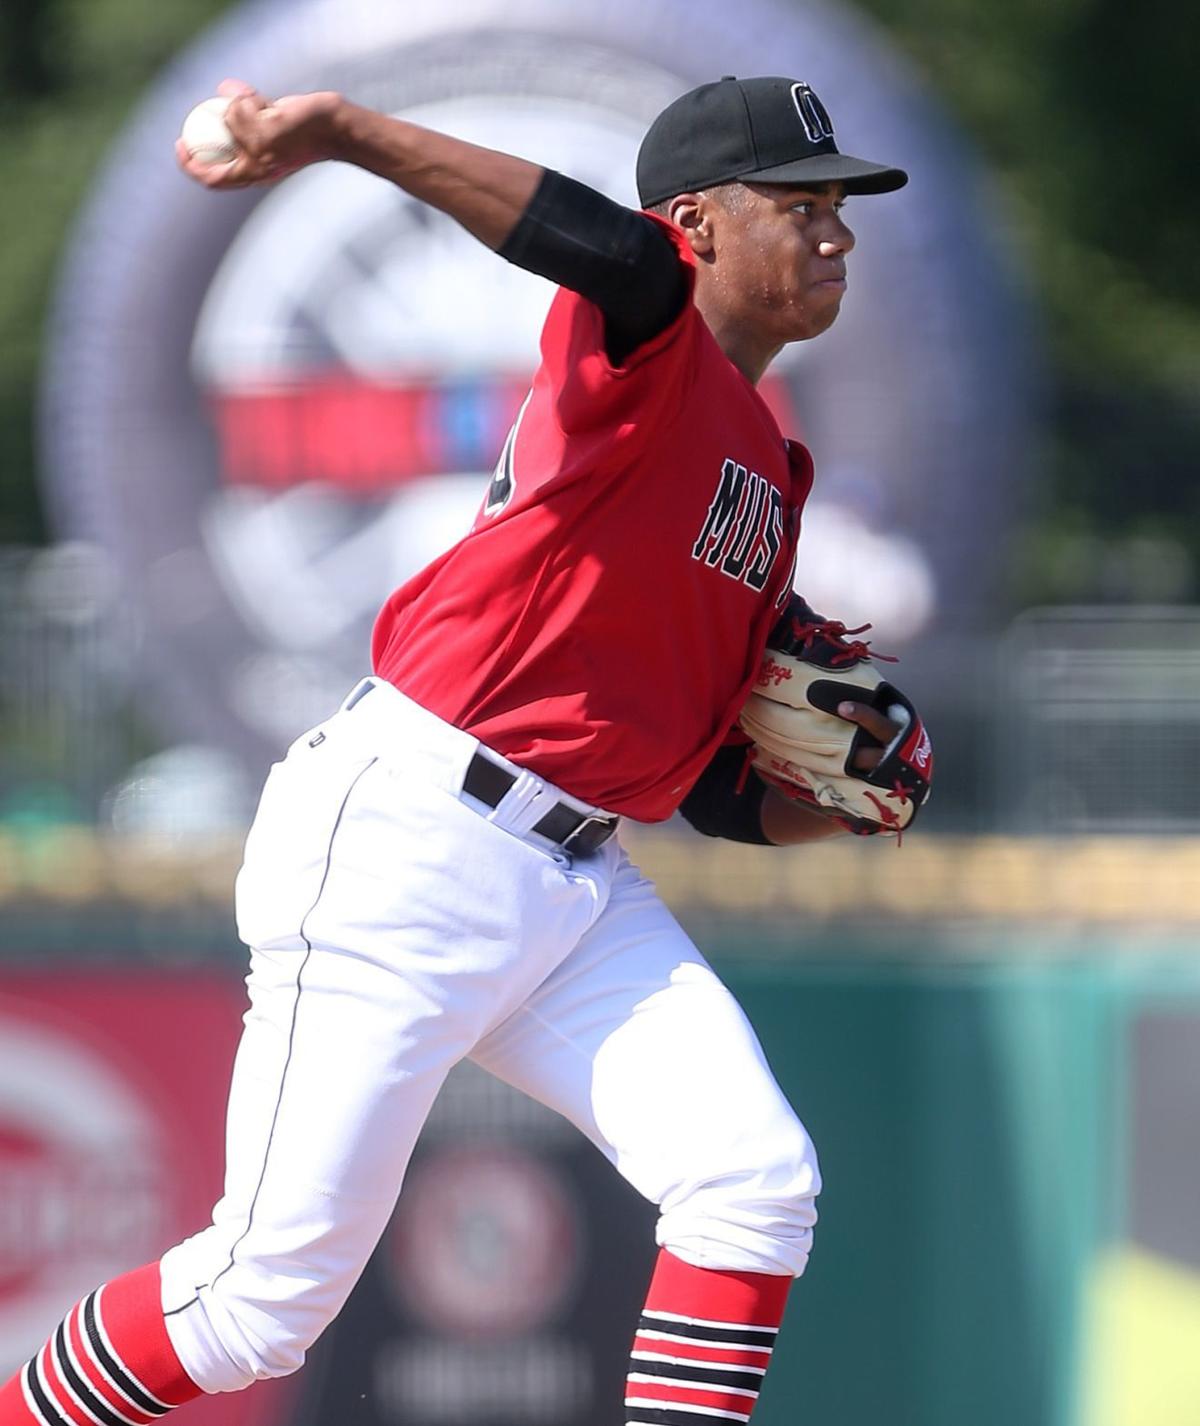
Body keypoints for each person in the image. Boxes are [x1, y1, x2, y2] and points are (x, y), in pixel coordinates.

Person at [1, 73, 916, 1426]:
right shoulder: (648, 337)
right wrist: (337, 133)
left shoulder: (771, 471)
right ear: (697, 226)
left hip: (576, 879)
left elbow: (718, 790)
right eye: (798, 203)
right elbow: (588, 239)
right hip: (409, 833)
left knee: (752, 1179)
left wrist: (847, 803)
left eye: (841, 206)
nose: (835, 231)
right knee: (260, 1301)